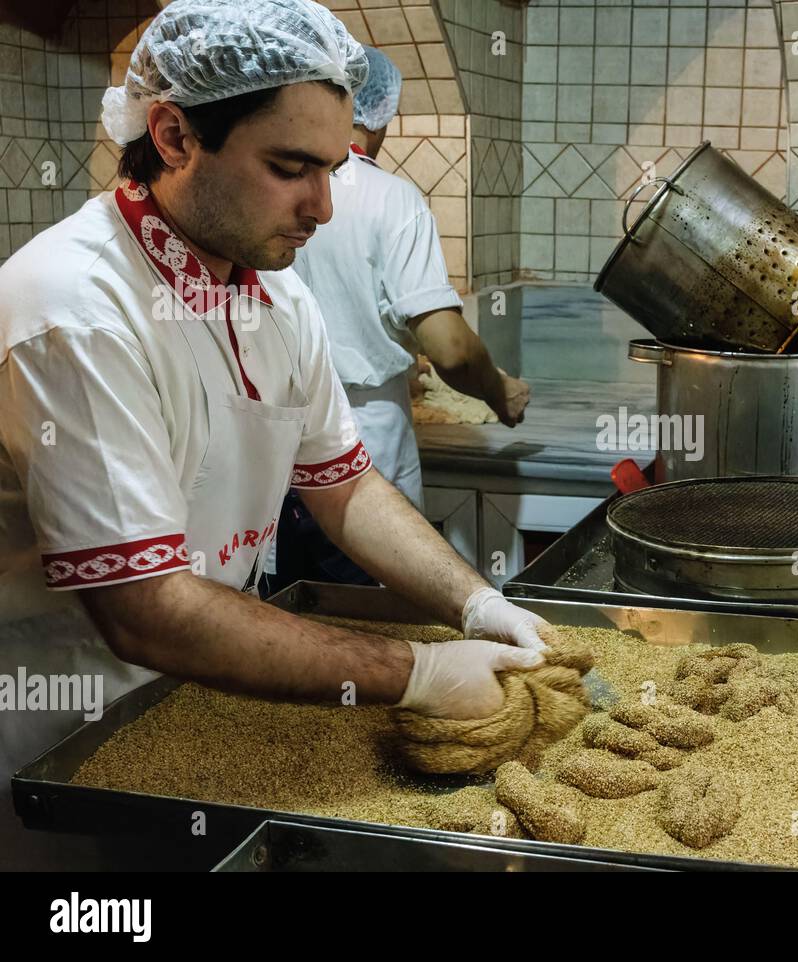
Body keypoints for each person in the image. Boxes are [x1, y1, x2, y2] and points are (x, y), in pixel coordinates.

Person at [0, 0, 546, 869]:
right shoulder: (77, 312)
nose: (321, 206)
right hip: (74, 741)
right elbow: (148, 613)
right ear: (174, 136)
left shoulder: (273, 292)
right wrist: (418, 673)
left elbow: (344, 486)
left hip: (203, 698)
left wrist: (476, 603)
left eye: (331, 167)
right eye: (291, 167)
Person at [267, 45, 529, 592]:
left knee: (291, 611)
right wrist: (497, 391)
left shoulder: (268, 192)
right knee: (374, 613)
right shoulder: (391, 200)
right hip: (365, 446)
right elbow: (451, 348)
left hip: (272, 448)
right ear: (382, 115)